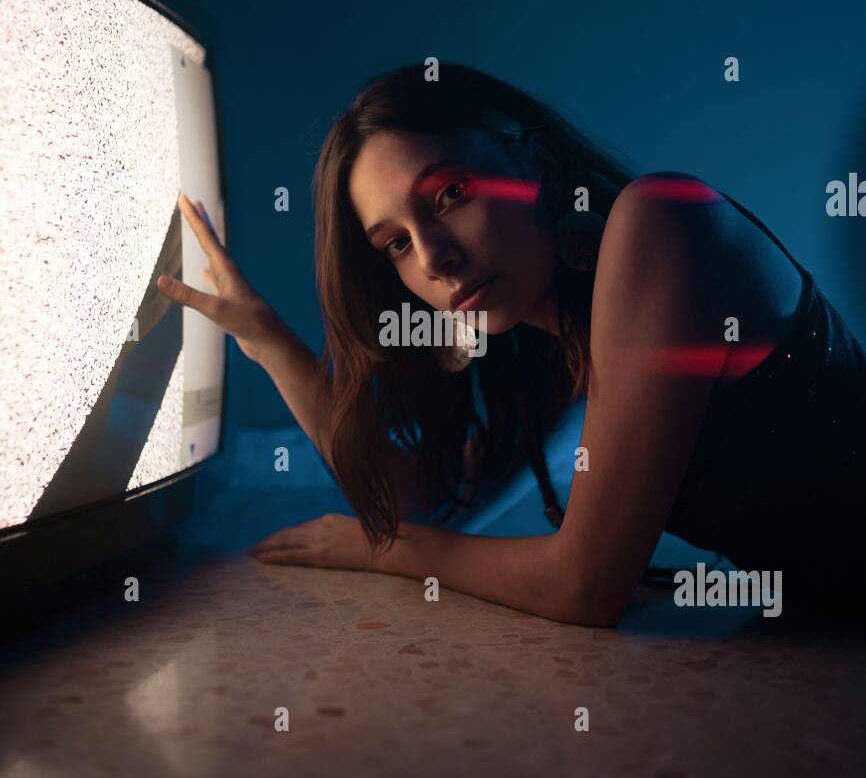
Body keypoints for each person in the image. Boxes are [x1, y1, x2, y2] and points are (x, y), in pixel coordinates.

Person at [157, 64, 866, 627]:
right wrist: (269, 343)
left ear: (539, 168)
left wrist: (383, 552)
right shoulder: (543, 337)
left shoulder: (662, 223)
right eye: (396, 244)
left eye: (451, 193)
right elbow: (421, 504)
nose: (433, 259)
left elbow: (584, 588)